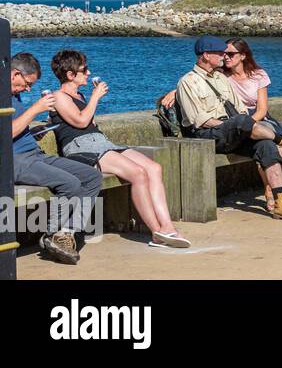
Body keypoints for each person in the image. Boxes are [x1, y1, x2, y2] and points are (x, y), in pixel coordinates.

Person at [48, 49, 189, 249]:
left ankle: (167, 226)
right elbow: (80, 122)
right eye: (84, 70)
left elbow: (90, 123)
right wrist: (96, 97)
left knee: (154, 168)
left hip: (100, 142)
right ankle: (156, 232)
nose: (88, 73)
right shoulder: (59, 96)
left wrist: (91, 99)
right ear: (70, 75)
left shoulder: (79, 95)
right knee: (138, 174)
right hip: (82, 148)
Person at [178, 36, 282, 220]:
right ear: (205, 55)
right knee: (241, 122)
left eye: (225, 52)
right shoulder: (188, 82)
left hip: (233, 132)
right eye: (219, 53)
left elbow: (240, 109)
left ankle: (280, 202)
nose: (223, 56)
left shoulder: (220, 78)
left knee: (266, 145)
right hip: (209, 134)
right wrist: (231, 125)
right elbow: (200, 120)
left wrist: (236, 125)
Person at [8, 52, 102, 264]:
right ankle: (52, 235)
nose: (28, 89)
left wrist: (34, 131)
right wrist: (35, 109)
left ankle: (66, 232)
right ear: (15, 74)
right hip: (14, 160)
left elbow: (16, 128)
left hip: (34, 154)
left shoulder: (13, 94)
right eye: (27, 83)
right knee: (69, 184)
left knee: (91, 176)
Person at [223, 38, 282, 197]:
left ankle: (270, 190)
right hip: (237, 119)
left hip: (260, 118)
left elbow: (263, 108)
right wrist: (174, 92)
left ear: (243, 56)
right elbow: (196, 81)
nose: (225, 57)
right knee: (266, 145)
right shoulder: (221, 75)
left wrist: (251, 124)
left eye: (230, 54)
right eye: (223, 54)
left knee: (269, 144)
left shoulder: (258, 75)